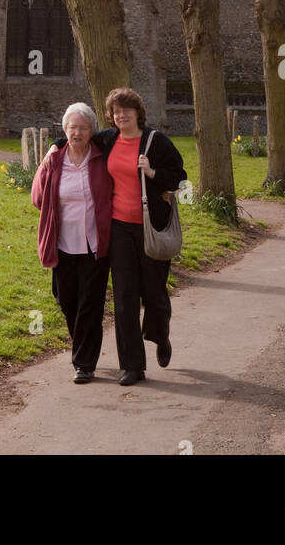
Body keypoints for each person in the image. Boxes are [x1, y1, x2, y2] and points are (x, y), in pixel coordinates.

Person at [42, 87, 186, 386]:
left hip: (150, 228)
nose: (121, 115)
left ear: (137, 112)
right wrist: (54, 147)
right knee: (124, 299)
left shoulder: (154, 141)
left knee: (155, 295)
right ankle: (132, 366)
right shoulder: (108, 139)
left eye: (126, 110)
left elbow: (179, 177)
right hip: (119, 228)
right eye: (116, 111)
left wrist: (153, 173)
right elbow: (76, 135)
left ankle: (160, 334)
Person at [30, 102, 113, 384]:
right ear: (64, 129)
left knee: (90, 304)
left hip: (94, 244)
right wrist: (44, 166)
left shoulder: (102, 158)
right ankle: (84, 345)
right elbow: (37, 199)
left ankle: (84, 363)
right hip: (62, 243)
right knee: (66, 301)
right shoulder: (54, 159)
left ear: (92, 131)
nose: (76, 133)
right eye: (71, 127)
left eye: (83, 128)